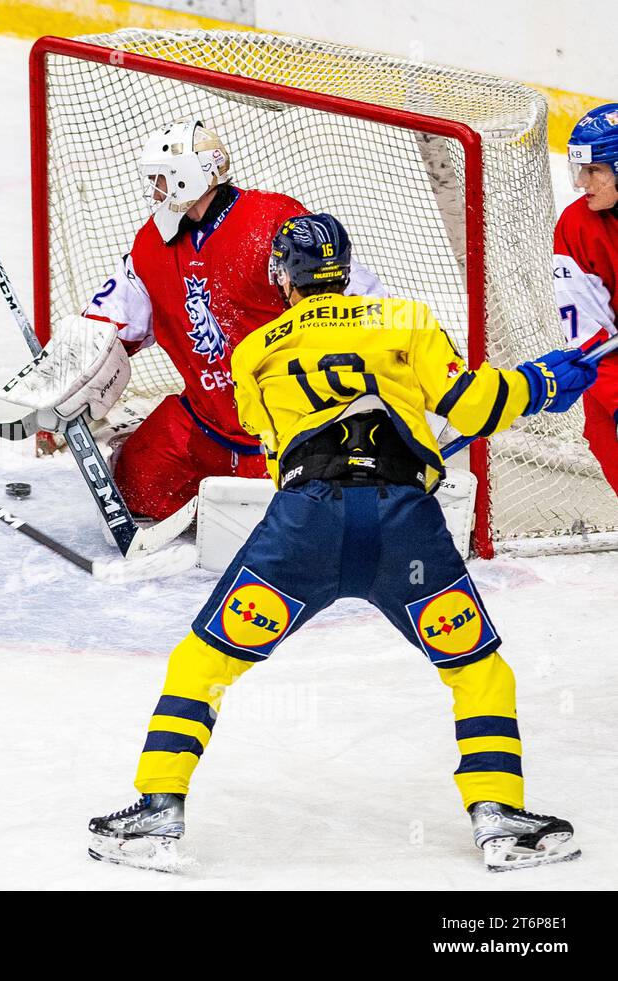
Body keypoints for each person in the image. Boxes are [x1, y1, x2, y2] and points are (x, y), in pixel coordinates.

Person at [88, 213, 594, 873]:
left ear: (283, 277)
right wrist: (545, 383)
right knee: (478, 669)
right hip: (405, 527)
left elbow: (267, 438)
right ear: (346, 267)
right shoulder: (406, 319)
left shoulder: (255, 351)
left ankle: (158, 811)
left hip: (305, 530)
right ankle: (499, 817)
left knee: (200, 662)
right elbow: (471, 407)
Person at [41, 118, 386, 521]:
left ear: (186, 180)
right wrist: (67, 365)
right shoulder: (152, 244)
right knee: (133, 489)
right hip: (207, 420)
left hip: (288, 431)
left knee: (294, 523)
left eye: (160, 180)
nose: (154, 193)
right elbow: (112, 317)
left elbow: (360, 304)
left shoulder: (272, 222)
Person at [554, 103, 618, 494]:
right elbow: (589, 333)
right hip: (614, 364)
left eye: (593, 170)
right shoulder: (578, 224)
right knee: (603, 429)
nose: (581, 182)